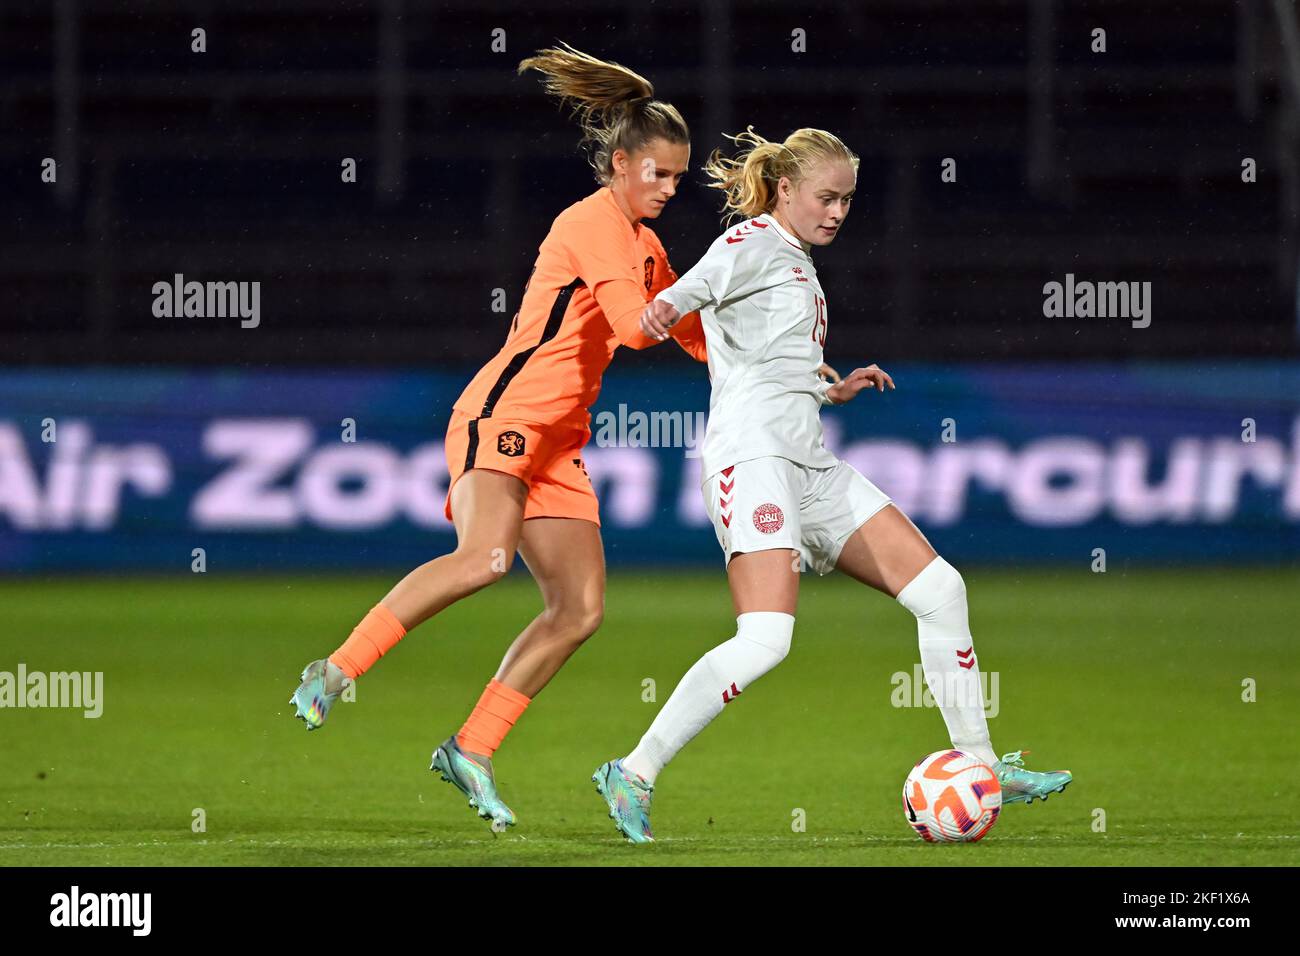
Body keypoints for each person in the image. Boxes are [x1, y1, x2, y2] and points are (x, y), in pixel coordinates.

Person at [592, 126, 1072, 843]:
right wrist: (659, 312)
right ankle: (633, 770)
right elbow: (687, 292)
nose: (839, 211)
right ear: (785, 190)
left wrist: (828, 387)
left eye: (848, 199)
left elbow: (768, 361)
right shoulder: (752, 241)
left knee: (941, 592)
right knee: (766, 639)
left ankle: (979, 763)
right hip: (750, 460)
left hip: (808, 462)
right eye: (827, 196)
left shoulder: (799, 262)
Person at [290, 42, 708, 832]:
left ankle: (472, 747)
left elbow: (686, 333)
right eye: (657, 173)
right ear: (620, 163)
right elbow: (634, 327)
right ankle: (336, 669)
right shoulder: (590, 225)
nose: (668, 188)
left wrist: (789, 369)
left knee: (579, 609)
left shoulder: (646, 246)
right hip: (505, 416)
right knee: (484, 559)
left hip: (559, 441)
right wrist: (709, 293)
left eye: (679, 178)